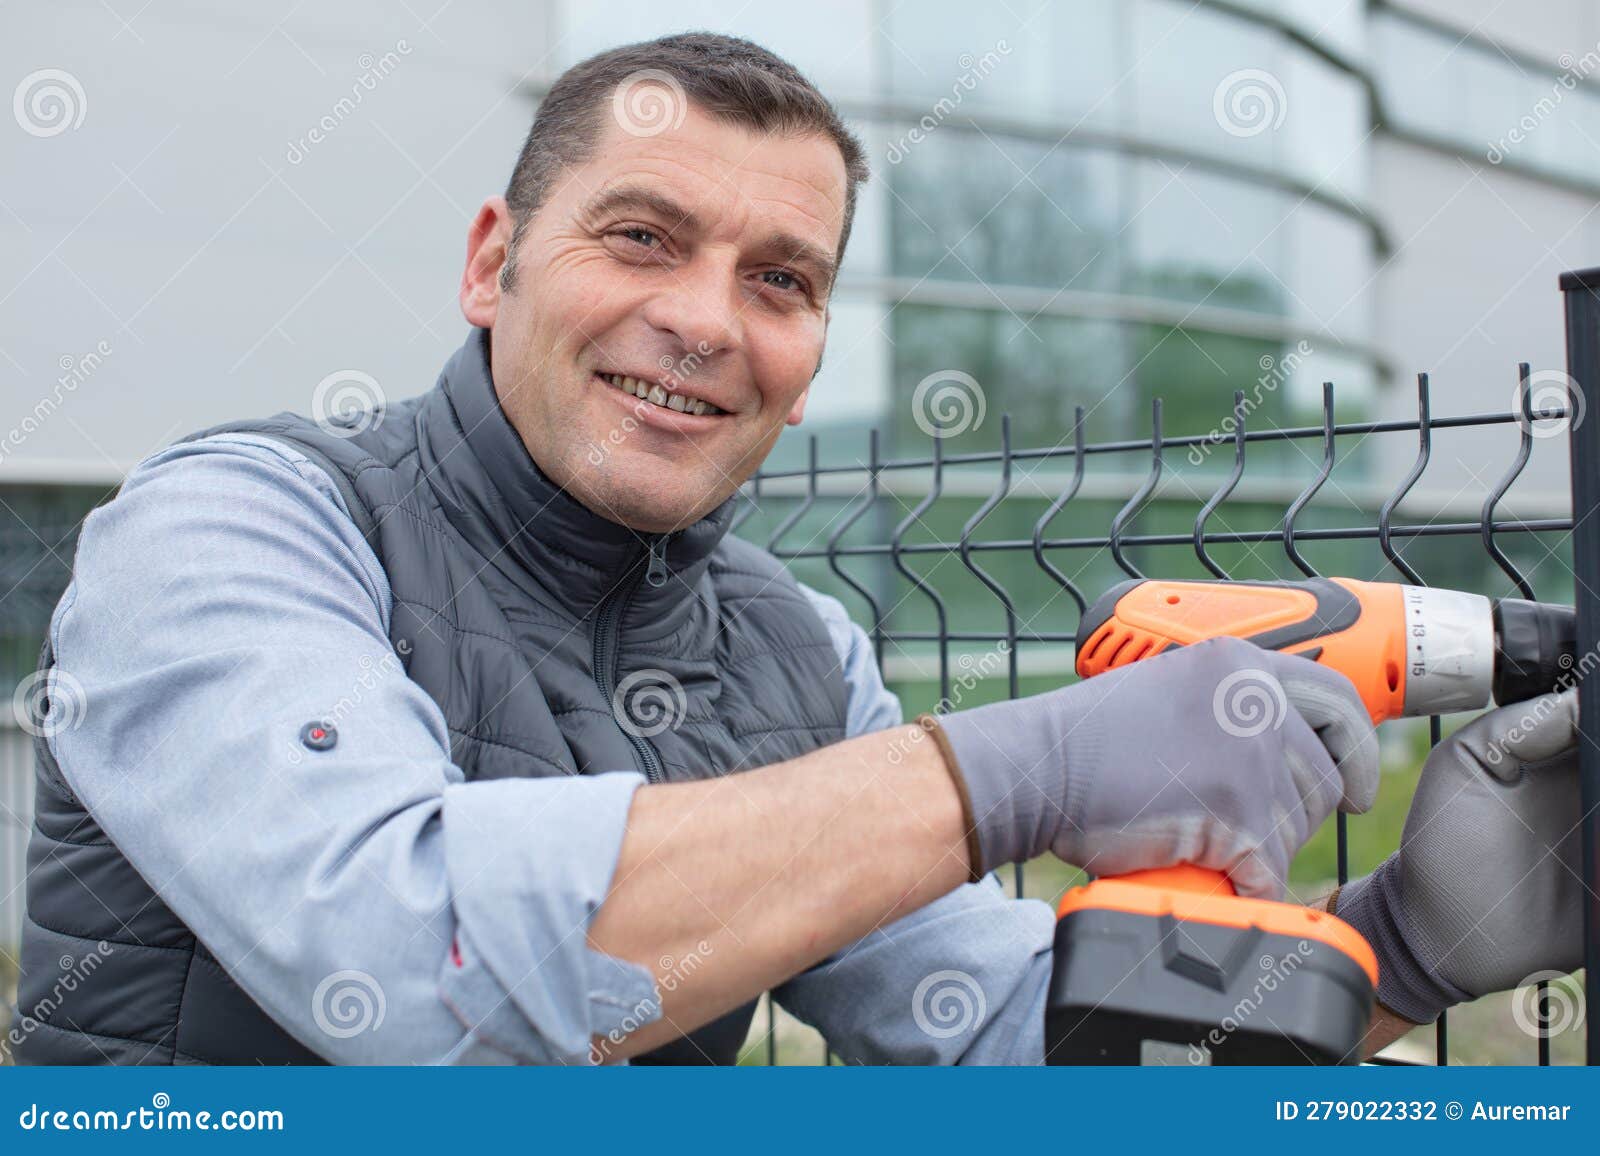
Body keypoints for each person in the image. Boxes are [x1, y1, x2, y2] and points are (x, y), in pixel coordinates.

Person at [12, 33, 1582, 1066]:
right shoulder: (237, 524)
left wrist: (1387, 948)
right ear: (494, 262)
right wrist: (1008, 774)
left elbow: (995, 1034)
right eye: (640, 237)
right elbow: (406, 956)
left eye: (781, 278)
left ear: (816, 339)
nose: (703, 319)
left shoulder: (794, 650)